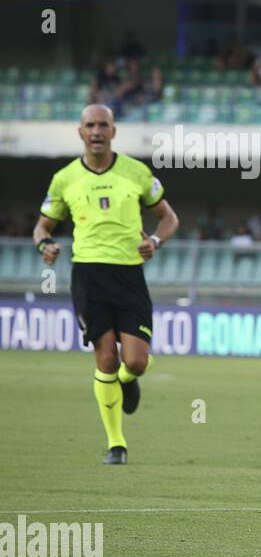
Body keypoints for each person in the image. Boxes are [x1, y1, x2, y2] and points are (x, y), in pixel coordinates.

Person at [32, 104, 180, 464]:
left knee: (136, 361)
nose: (96, 131)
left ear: (114, 131)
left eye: (103, 125)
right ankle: (116, 445)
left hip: (129, 275)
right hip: (88, 276)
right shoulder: (64, 178)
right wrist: (44, 245)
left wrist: (156, 242)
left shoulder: (137, 173)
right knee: (106, 358)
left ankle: (130, 381)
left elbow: (169, 218)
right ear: (79, 132)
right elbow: (42, 226)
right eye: (89, 125)